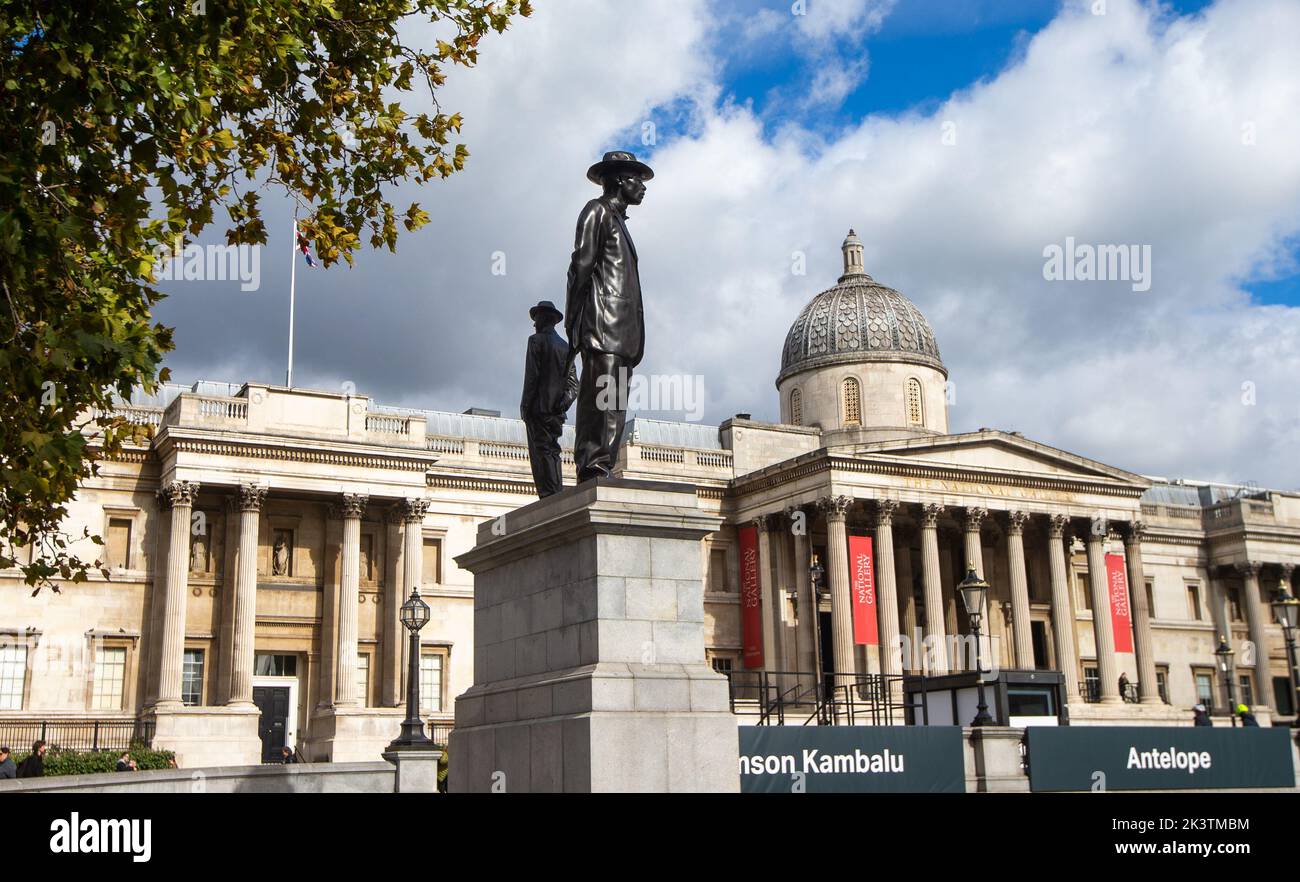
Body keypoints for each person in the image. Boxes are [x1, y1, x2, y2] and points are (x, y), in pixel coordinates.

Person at [565, 150, 653, 483]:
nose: (643, 187)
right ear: (618, 180)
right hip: (603, 326)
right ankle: (593, 466)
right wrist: (573, 319)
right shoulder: (596, 211)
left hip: (621, 332)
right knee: (600, 401)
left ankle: (603, 465)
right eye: (636, 180)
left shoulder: (618, 220)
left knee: (614, 405)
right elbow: (581, 266)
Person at [520, 300, 578, 498]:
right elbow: (574, 386)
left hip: (538, 409)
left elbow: (532, 377)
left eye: (536, 320)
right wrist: (562, 404)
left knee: (541, 452)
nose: (534, 324)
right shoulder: (565, 347)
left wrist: (525, 407)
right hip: (556, 412)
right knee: (553, 450)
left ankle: (548, 494)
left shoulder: (535, 341)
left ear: (543, 319)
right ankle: (555, 492)